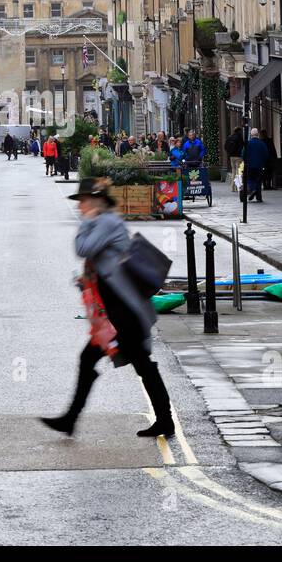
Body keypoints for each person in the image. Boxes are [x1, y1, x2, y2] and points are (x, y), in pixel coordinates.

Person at [41, 178, 173, 438]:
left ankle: (164, 420)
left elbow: (83, 248)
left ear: (95, 200)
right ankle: (70, 419)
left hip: (125, 313)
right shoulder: (104, 222)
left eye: (83, 201)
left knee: (141, 364)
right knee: (108, 360)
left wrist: (88, 220)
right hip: (115, 313)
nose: (80, 207)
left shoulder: (105, 222)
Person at [242, 129, 270, 203]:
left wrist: (245, 161)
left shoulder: (248, 143)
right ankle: (259, 197)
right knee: (258, 180)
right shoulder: (262, 143)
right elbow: (266, 154)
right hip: (259, 165)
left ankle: (253, 189)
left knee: (250, 179)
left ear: (251, 135)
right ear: (258, 135)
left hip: (250, 165)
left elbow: (243, 154)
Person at [225, 127, 244, 193]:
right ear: (238, 131)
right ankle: (238, 187)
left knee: (233, 171)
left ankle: (232, 187)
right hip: (238, 157)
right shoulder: (239, 137)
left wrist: (229, 153)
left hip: (231, 157)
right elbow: (242, 146)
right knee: (238, 172)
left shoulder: (230, 137)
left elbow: (225, 146)